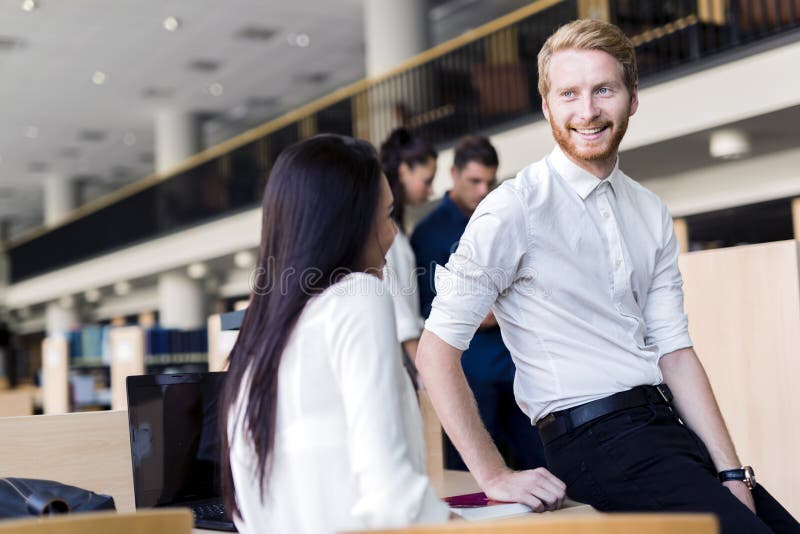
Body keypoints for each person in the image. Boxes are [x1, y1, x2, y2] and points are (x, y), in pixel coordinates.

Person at [415, 18, 799, 534]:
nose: (588, 110)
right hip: (591, 439)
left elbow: (675, 350)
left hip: (665, 427)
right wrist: (493, 473)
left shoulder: (650, 211)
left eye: (604, 90)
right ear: (547, 105)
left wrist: (732, 471)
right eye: (569, 93)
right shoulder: (512, 209)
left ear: (632, 98)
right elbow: (435, 352)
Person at [220, 134, 449, 534]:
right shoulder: (359, 297)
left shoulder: (256, 344)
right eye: (386, 215)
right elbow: (392, 499)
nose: (393, 234)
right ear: (345, 224)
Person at [410, 135, 546, 471]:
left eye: (490, 180)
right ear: (453, 174)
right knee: (474, 473)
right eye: (474, 181)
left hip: (517, 369)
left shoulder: (502, 217)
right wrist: (513, 304)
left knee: (543, 464)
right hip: (469, 373)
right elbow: (448, 310)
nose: (483, 190)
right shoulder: (429, 234)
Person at [379, 128, 438, 368]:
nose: (431, 189)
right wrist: (424, 373)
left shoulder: (396, 227)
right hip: (402, 357)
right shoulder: (385, 230)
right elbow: (400, 310)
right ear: (404, 170)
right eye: (427, 180)